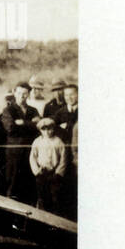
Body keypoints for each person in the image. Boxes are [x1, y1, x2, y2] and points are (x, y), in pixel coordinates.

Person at [0, 81, 40, 206]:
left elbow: (39, 127)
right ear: (14, 93)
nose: (22, 96)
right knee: (13, 185)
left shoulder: (33, 110)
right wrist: (30, 124)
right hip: (14, 154)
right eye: (19, 93)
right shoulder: (8, 110)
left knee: (29, 185)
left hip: (30, 153)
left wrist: (22, 123)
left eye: (25, 94)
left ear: (29, 95)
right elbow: (10, 128)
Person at [29, 116, 68, 214]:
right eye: (44, 130)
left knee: (54, 197)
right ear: (40, 130)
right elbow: (32, 158)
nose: (47, 132)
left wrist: (59, 173)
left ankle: (55, 216)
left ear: (53, 129)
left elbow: (63, 159)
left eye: (49, 129)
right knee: (42, 196)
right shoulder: (37, 142)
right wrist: (36, 171)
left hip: (54, 174)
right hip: (41, 173)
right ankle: (43, 215)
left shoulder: (58, 142)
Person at [53, 82, 79, 219]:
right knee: (63, 186)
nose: (69, 97)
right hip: (63, 156)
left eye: (72, 95)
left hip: (78, 157)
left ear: (78, 95)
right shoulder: (59, 113)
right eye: (66, 95)